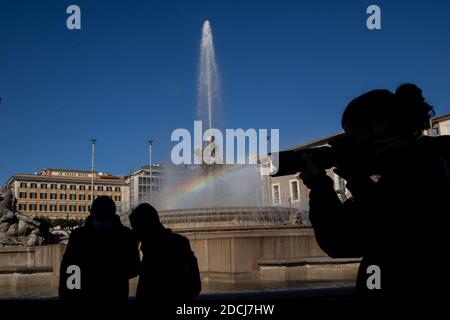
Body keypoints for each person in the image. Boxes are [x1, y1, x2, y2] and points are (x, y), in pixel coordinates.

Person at [299, 84, 449, 304]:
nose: (347, 143)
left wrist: (320, 186)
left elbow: (340, 238)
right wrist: (356, 178)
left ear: (379, 125)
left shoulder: (416, 170)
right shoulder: (420, 167)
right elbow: (384, 215)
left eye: (351, 135)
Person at [59, 196, 139, 300]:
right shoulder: (79, 235)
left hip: (113, 295)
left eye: (105, 214)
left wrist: (116, 272)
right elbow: (70, 266)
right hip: (88, 297)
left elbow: (134, 266)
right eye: (99, 214)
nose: (101, 219)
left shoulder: (125, 235)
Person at [129, 203, 201, 302]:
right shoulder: (181, 242)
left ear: (144, 226)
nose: (134, 232)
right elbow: (195, 286)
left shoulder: (154, 252)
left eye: (135, 228)